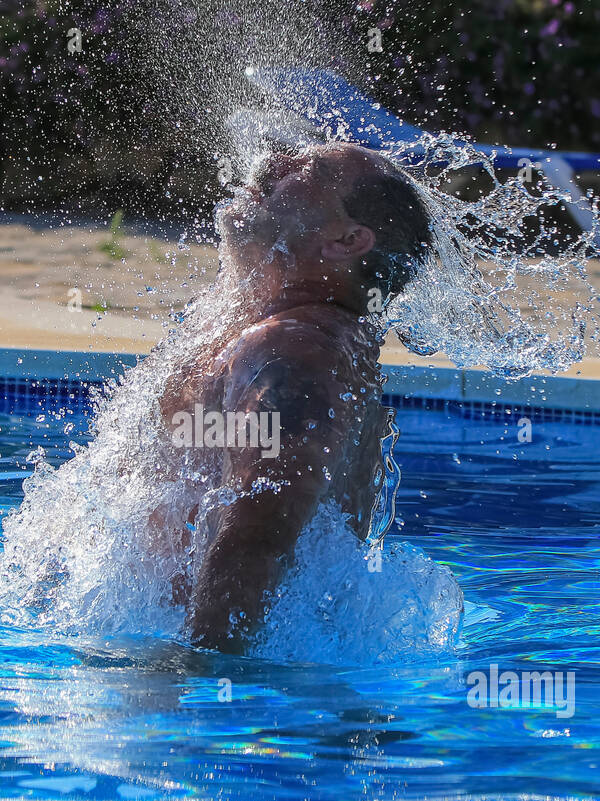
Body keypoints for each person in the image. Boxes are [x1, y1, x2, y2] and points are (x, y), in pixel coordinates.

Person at [160, 141, 433, 651]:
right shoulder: (308, 335)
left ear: (346, 240)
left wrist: (190, 684)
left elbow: (259, 530)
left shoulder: (293, 351)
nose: (279, 159)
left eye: (313, 169)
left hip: (209, 689)